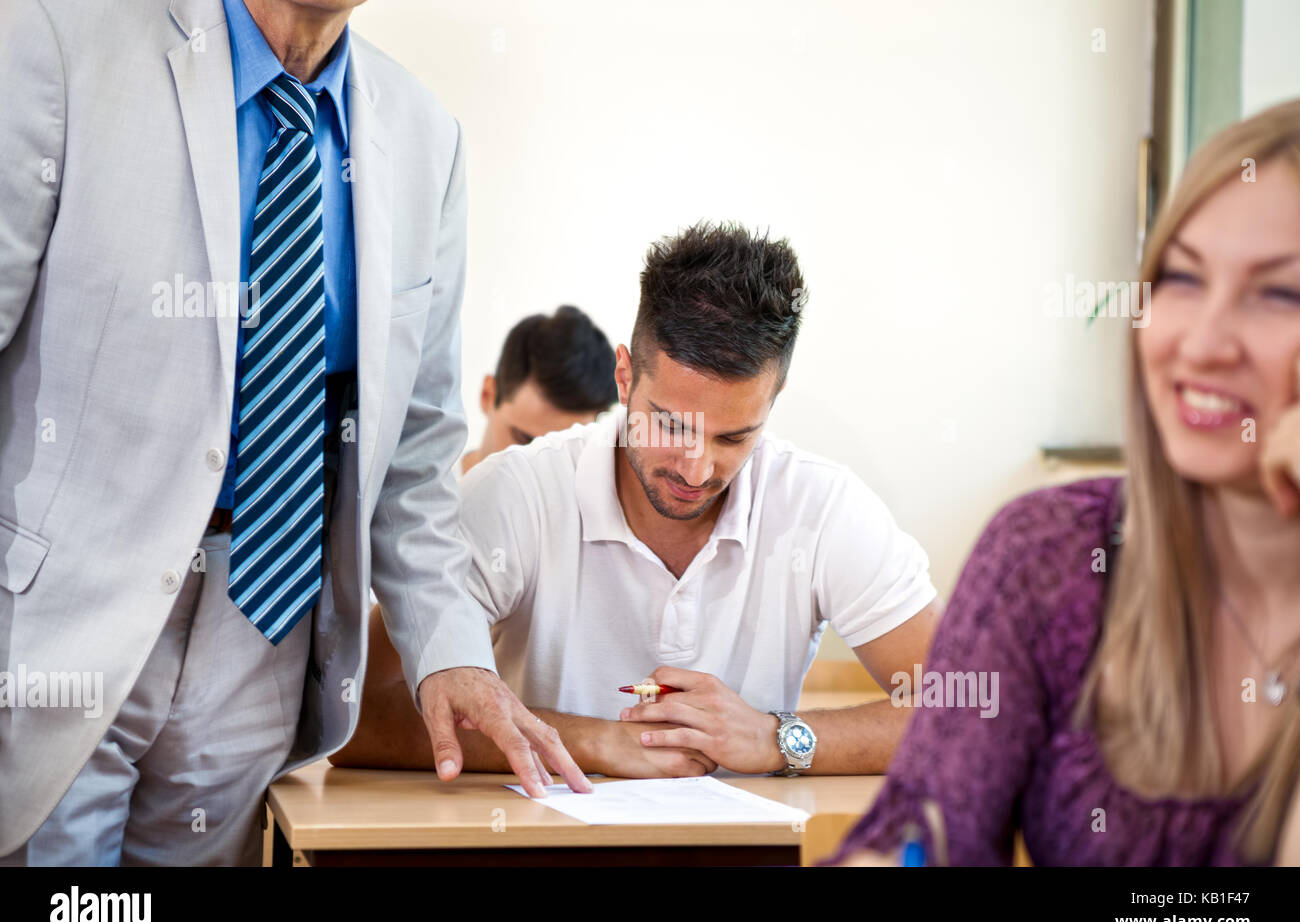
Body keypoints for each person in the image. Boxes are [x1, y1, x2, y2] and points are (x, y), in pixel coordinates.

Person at [0, 0, 586, 867]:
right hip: (62, 621)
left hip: (265, 630)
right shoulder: (56, 37)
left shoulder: (426, 137)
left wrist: (452, 652)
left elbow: (417, 456)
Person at [828, 99, 1300, 866]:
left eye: (1280, 294)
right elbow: (923, 837)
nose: (1204, 342)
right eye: (1181, 278)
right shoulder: (1051, 557)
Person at [333, 221, 942, 777]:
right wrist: (594, 742)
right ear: (624, 379)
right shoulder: (516, 496)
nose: (697, 469)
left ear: (772, 402)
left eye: (734, 436)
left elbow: (971, 701)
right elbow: (355, 716)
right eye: (672, 426)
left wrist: (778, 739)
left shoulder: (823, 508)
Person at [458, 305, 618, 477]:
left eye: (565, 453)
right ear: (488, 395)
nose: (539, 473)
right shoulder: (430, 496)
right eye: (524, 440)